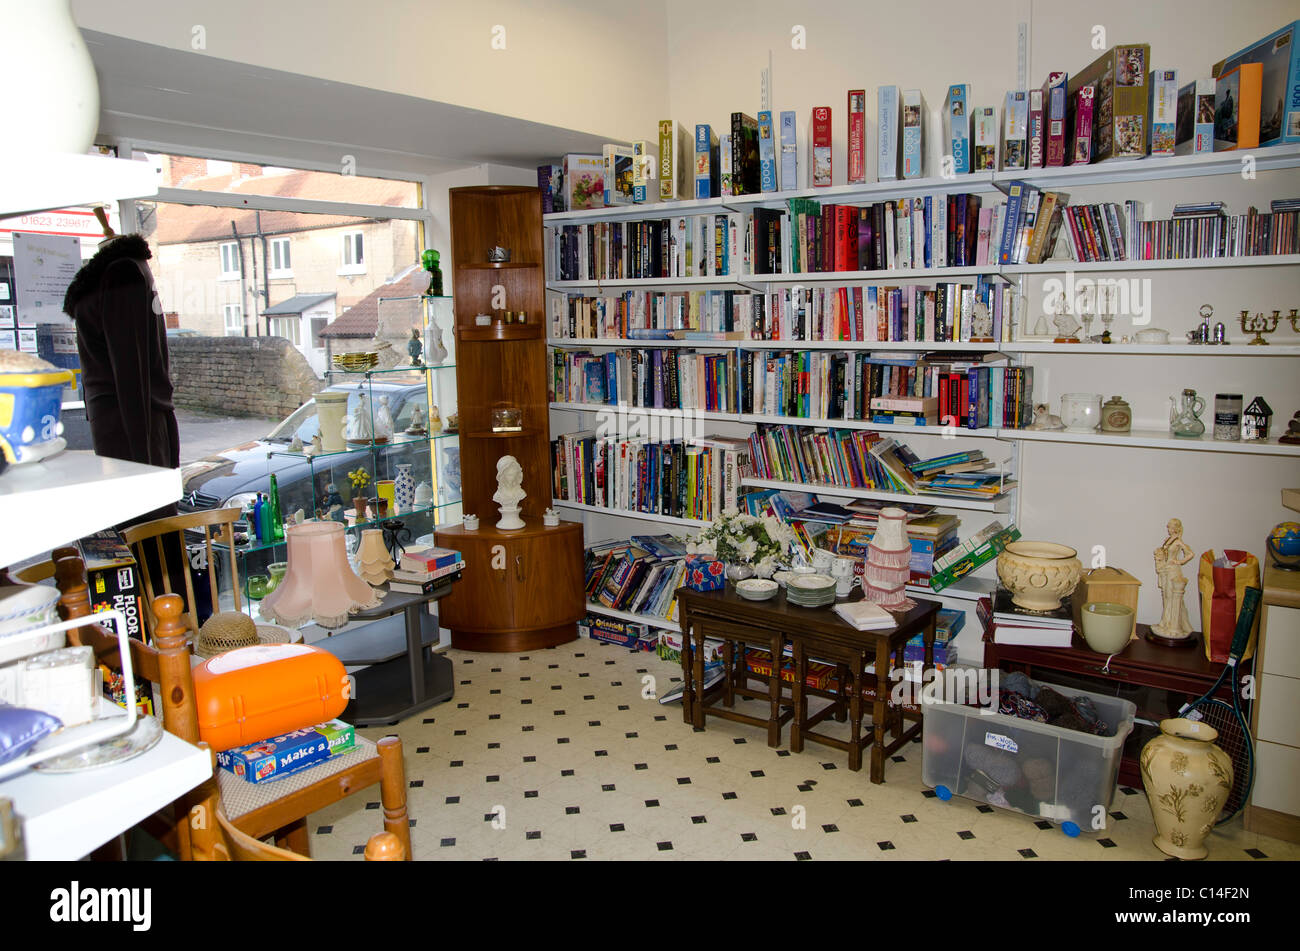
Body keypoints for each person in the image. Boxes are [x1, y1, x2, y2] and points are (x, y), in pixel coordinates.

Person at [1152, 518, 1194, 639]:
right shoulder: (1168, 540)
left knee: (1171, 597)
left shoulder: (1178, 542)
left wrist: (1179, 562)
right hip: (1165, 570)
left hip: (1173, 571)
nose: (1168, 528)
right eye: (1168, 526)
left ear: (1175, 528)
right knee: (1165, 596)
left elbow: (1190, 554)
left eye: (1170, 527)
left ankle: (1171, 625)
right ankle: (1165, 623)